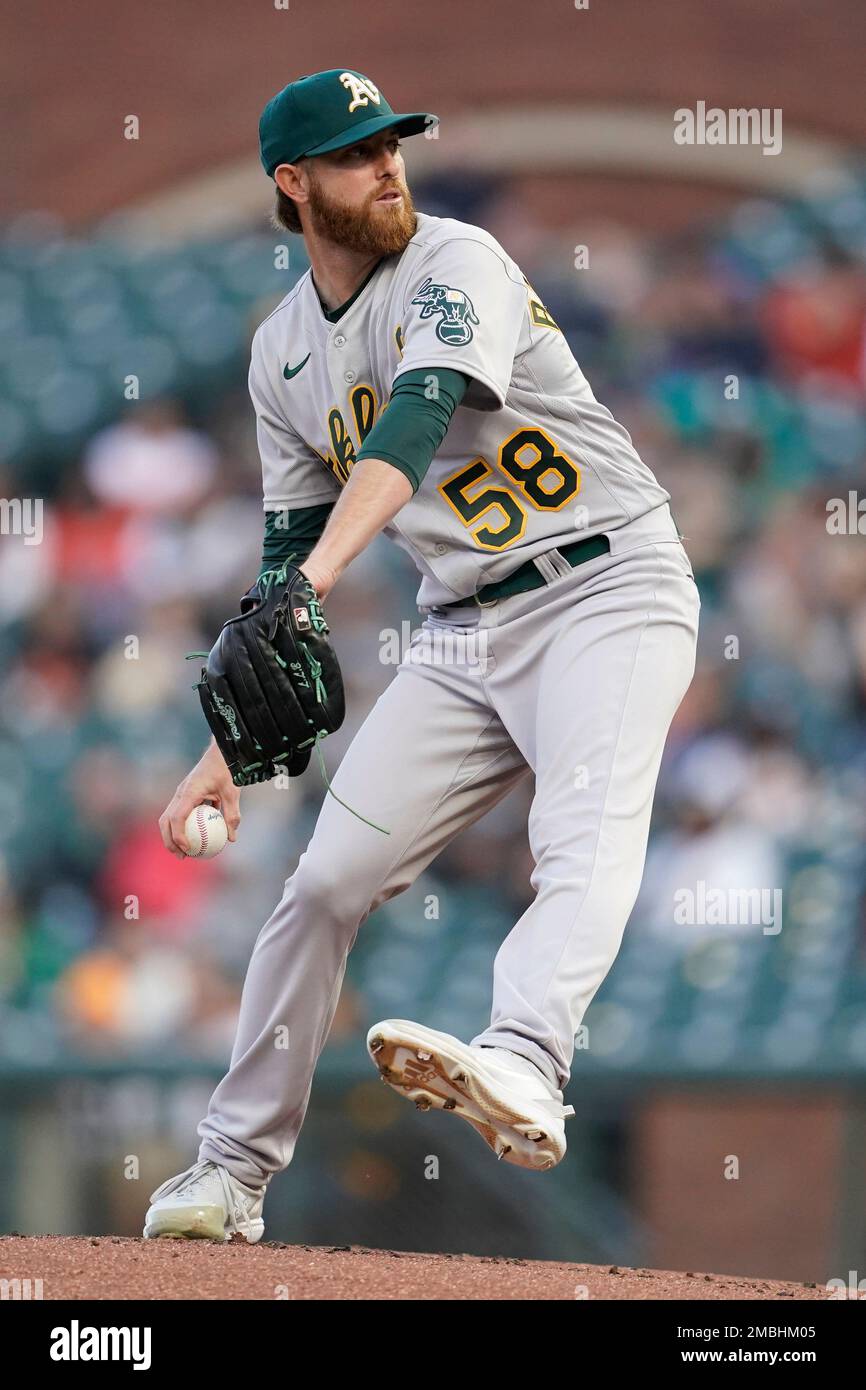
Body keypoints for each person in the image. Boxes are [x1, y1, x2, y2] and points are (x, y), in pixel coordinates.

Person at [144, 69, 700, 1243]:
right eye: (354, 153)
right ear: (292, 186)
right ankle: (229, 1170)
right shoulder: (280, 353)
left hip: (607, 582)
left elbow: (418, 414)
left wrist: (314, 582)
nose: (386, 164)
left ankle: (525, 1058)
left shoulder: (458, 261)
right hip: (463, 630)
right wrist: (222, 758)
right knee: (323, 885)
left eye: (391, 143)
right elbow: (282, 567)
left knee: (582, 831)